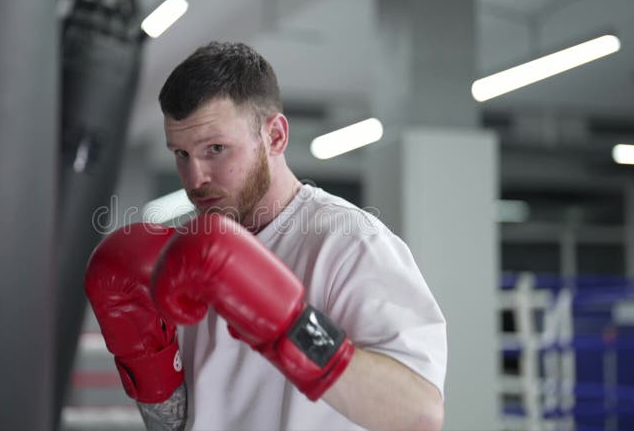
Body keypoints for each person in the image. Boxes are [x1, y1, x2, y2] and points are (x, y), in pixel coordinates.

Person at [86, 41, 446, 431]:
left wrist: (289, 326)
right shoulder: (183, 256)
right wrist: (151, 372)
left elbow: (419, 414)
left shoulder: (348, 243)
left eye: (216, 149)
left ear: (274, 136)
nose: (195, 178)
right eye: (181, 154)